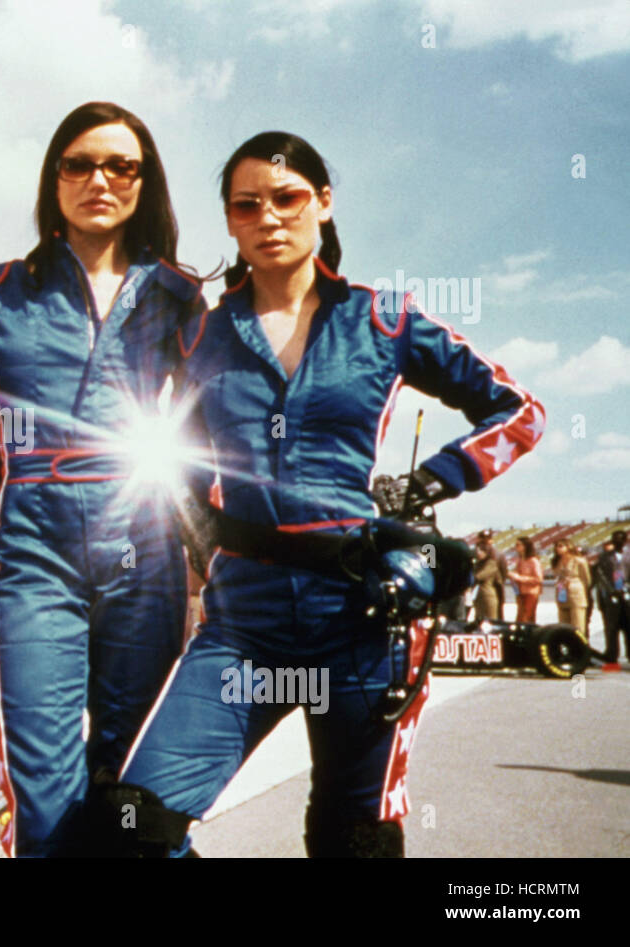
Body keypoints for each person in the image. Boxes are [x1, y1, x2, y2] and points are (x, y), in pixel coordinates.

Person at [112, 131, 543, 858]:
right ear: (230, 221)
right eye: (247, 206)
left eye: (287, 198)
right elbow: (175, 461)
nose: (269, 217)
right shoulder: (201, 338)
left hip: (362, 621)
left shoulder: (384, 318)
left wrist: (433, 479)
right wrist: (202, 532)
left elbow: (520, 411)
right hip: (242, 628)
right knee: (137, 823)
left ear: (323, 203)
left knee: (355, 840)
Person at [0, 101, 207, 856]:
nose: (98, 179)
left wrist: (214, 561)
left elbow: (215, 428)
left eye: (120, 165)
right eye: (78, 163)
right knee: (42, 781)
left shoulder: (181, 294)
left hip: (144, 533)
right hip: (36, 546)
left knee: (137, 777)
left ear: (145, 182)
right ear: (54, 178)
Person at [593, 533, 628, 670]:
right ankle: (612, 655)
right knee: (611, 627)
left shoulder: (627, 555)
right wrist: (610, 590)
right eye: (615, 539)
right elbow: (600, 575)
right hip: (611, 596)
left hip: (626, 595)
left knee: (628, 626)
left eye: (620, 539)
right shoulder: (605, 557)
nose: (618, 542)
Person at [552, 539, 591, 634]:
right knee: (564, 625)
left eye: (560, 546)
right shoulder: (557, 561)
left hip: (576, 595)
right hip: (562, 594)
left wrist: (579, 589)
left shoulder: (579, 560)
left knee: (578, 625)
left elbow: (586, 579)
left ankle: (579, 646)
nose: (558, 549)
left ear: (568, 546)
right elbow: (556, 575)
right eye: (556, 546)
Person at [475, 529, 509, 620]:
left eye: (488, 538)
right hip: (481, 590)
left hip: (493, 588)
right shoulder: (477, 552)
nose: (486, 541)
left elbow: (503, 572)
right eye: (483, 539)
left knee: (496, 615)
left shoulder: (498, 554)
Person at [509, 535, 543, 623]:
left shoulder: (533, 561)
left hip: (531, 592)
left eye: (518, 545)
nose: (516, 547)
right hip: (521, 592)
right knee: (520, 617)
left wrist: (520, 578)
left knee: (527, 617)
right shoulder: (520, 560)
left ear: (525, 546)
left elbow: (538, 579)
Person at [472, 544, 502, 623]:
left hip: (487, 597)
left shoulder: (491, 563)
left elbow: (480, 576)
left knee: (490, 621)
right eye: (478, 550)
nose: (478, 553)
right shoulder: (477, 563)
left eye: (481, 551)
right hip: (478, 597)